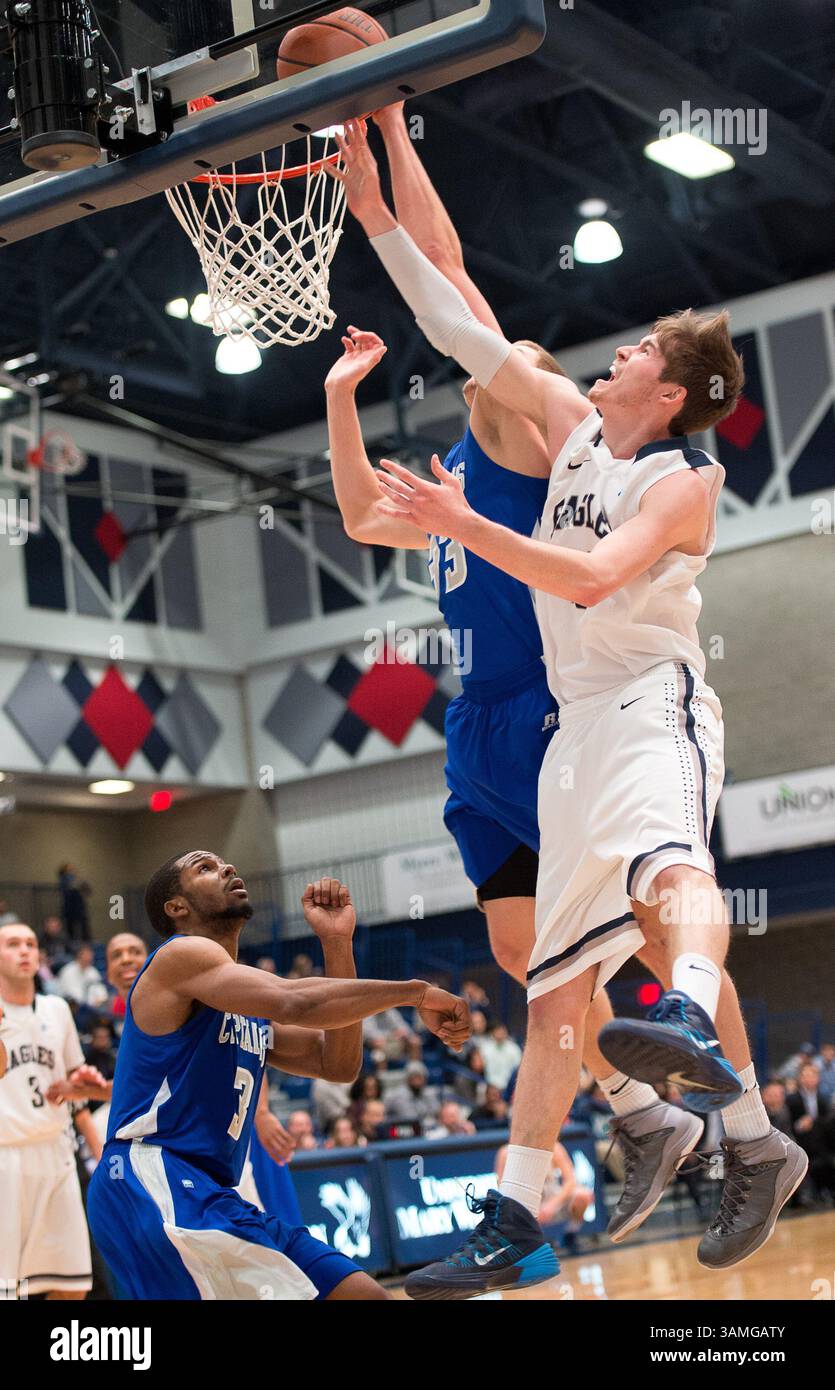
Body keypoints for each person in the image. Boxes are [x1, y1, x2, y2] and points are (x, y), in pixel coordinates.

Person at [329, 118, 809, 1294]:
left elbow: (593, 578)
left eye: (641, 345)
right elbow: (455, 322)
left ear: (678, 388)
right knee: (548, 983)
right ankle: (516, 1203)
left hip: (645, 703)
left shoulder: (680, 479)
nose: (616, 351)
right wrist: (373, 205)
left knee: (668, 889)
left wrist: (464, 525)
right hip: (559, 741)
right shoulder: (572, 432)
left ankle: (701, 1051)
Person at [86, 853, 469, 1300]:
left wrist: (336, 944)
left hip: (211, 1191)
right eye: (205, 868)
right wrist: (415, 992)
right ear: (177, 907)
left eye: (226, 863)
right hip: (150, 1180)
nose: (228, 868)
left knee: (364, 1294)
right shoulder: (181, 955)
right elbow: (295, 1002)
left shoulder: (243, 1004)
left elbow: (338, 1063)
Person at [0, 922, 94, 1299]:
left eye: (30, 944)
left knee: (72, 1283)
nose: (24, 951)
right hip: (7, 1156)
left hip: (57, 1153)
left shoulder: (57, 1009)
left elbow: (77, 1081)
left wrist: (81, 1081)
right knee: (7, 1287)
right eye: (12, 944)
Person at [385, 1060, 441, 1130]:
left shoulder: (429, 1093)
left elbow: (437, 1113)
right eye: (414, 1077)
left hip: (429, 1130)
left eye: (420, 1077)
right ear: (408, 1079)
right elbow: (408, 1117)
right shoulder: (396, 1096)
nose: (417, 1081)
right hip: (405, 1131)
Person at [56, 944, 108, 1011]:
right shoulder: (68, 971)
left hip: (92, 1008)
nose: (89, 957)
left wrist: (100, 999)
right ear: (79, 956)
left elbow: (101, 991)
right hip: (72, 1008)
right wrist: (91, 1003)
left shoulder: (93, 971)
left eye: (90, 955)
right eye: (86, 955)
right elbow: (72, 996)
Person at [478, 1023, 523, 1093]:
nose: (500, 1033)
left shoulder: (514, 1048)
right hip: (488, 1085)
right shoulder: (485, 1047)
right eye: (498, 1031)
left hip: (509, 1087)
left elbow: (519, 1067)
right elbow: (479, 1066)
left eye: (502, 1031)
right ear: (492, 1033)